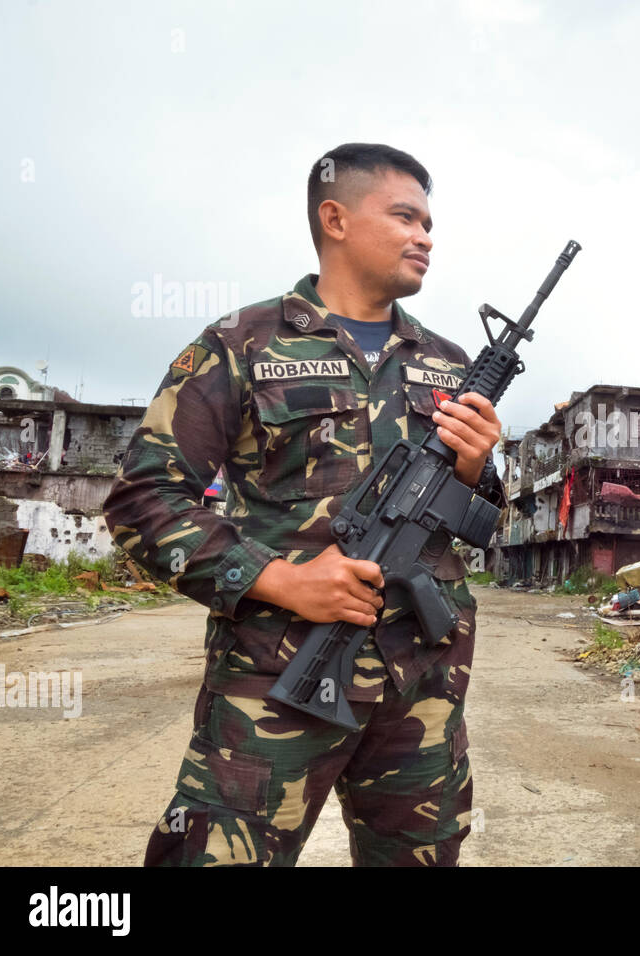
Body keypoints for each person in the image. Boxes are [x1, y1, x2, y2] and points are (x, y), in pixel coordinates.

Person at [104, 143, 506, 866]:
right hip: (274, 682)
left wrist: (477, 468)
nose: (426, 237)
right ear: (337, 218)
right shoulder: (243, 345)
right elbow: (144, 498)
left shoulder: (449, 365)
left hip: (421, 691)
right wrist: (280, 579)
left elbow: (482, 518)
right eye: (406, 217)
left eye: (430, 222)